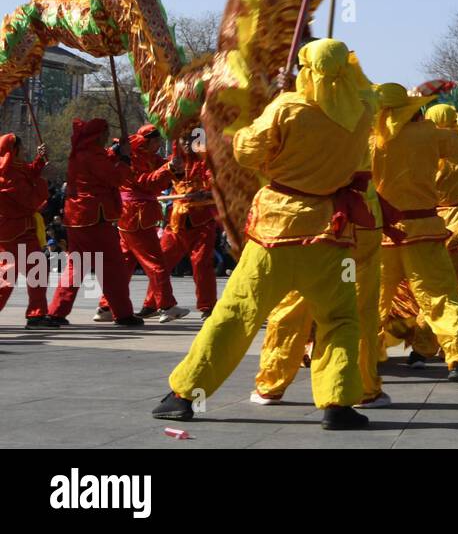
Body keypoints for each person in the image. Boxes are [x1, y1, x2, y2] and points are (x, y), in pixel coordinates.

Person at [152, 39, 376, 430]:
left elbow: (247, 151)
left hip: (276, 232)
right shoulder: (362, 112)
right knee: (340, 319)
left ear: (307, 70)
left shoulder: (289, 108)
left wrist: (258, 116)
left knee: (237, 313)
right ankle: (338, 403)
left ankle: (185, 394)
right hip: (327, 234)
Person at [370, 89, 458, 391]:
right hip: (422, 229)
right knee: (441, 296)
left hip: (382, 232)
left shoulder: (372, 138)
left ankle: (365, 353)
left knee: (372, 299)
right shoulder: (430, 133)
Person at [47, 119, 139, 326]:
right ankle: (123, 313)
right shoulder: (92, 154)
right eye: (106, 133)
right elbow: (114, 177)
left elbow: (103, 163)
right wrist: (124, 159)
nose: (107, 136)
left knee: (76, 266)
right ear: (98, 135)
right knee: (112, 267)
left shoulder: (82, 153)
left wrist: (116, 151)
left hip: (78, 217)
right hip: (94, 218)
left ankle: (57, 311)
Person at [98, 124, 189, 322]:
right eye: (157, 142)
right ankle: (166, 305)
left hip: (131, 216)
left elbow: (163, 166)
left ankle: (106, 306)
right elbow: (145, 181)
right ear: (150, 141)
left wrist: (176, 165)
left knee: (123, 265)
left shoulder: (146, 155)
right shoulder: (132, 157)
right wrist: (169, 168)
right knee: (155, 262)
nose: (158, 145)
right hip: (137, 215)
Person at [158, 131, 218, 318]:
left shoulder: (206, 160)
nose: (187, 143)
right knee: (160, 262)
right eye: (183, 139)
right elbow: (156, 180)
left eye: (191, 139)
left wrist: (206, 192)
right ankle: (154, 303)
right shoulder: (173, 161)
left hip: (201, 222)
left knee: (201, 264)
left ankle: (207, 306)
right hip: (176, 222)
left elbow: (215, 182)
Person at [0, 133, 55, 327]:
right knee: (7, 278)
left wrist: (39, 161)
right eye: (21, 149)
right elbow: (31, 202)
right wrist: (43, 181)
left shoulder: (15, 168)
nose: (24, 152)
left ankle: (36, 314)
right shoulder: (7, 177)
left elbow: (29, 171)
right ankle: (36, 314)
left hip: (21, 232)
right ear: (13, 151)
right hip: (13, 234)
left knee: (36, 270)